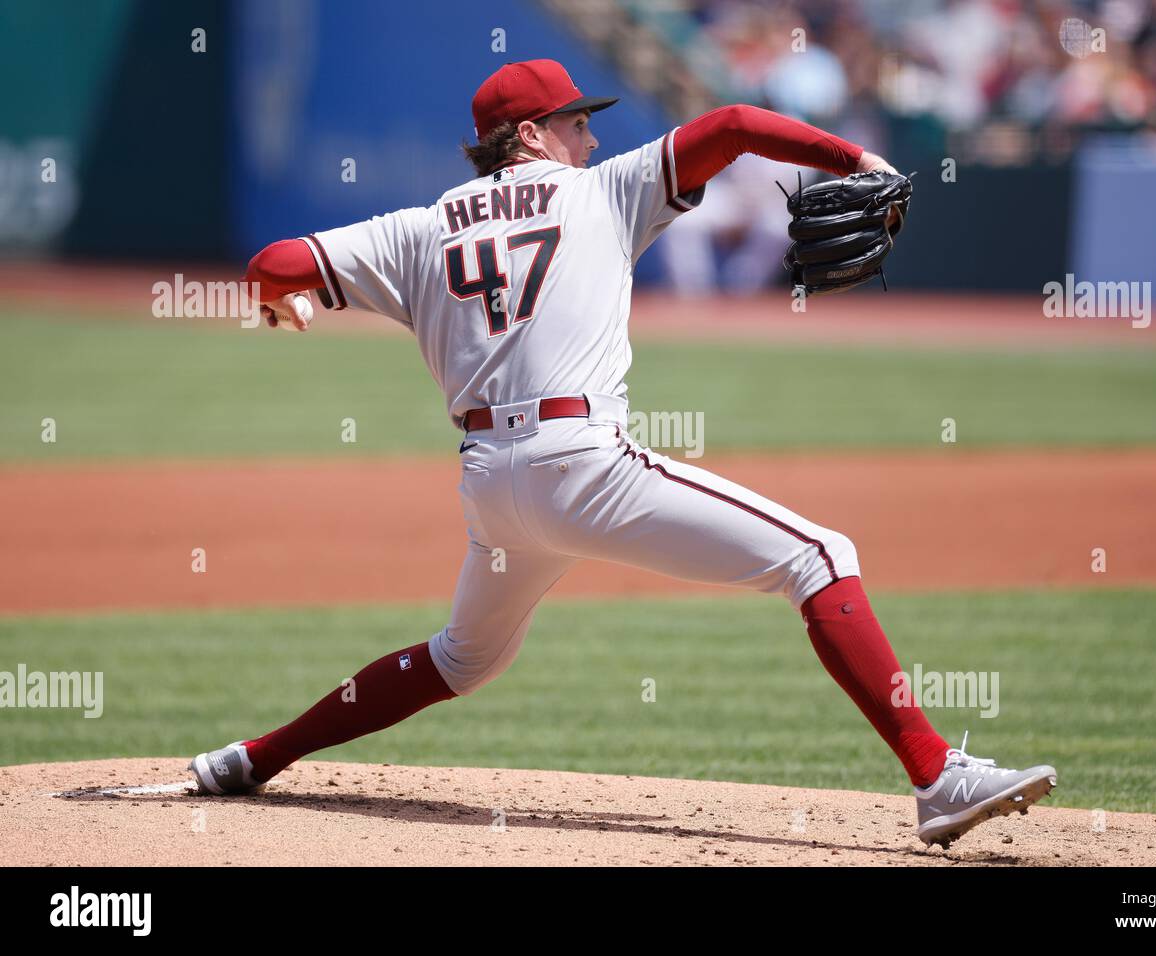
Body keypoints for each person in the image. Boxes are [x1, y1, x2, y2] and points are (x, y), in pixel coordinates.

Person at [193, 59, 1056, 849]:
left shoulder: (421, 228)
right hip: (580, 464)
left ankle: (254, 758)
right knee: (821, 556)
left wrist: (280, 301)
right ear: (530, 136)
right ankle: (938, 777)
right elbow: (734, 126)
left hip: (491, 486)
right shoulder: (602, 191)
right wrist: (855, 158)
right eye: (576, 122)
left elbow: (272, 262)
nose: (592, 136)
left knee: (462, 658)